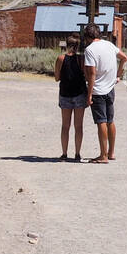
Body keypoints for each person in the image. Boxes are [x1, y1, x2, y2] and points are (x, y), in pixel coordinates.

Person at [83, 25, 127, 164]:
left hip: (98, 89)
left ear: (88, 37)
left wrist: (89, 94)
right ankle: (111, 152)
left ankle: (103, 155)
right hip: (110, 88)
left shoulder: (90, 50)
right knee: (110, 120)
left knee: (101, 121)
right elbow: (124, 57)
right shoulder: (109, 45)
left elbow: (91, 73)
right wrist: (118, 74)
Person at [53, 33, 87, 161]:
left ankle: (64, 153)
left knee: (65, 126)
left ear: (67, 45)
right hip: (79, 94)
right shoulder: (81, 60)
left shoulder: (61, 58)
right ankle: (77, 153)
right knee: (78, 126)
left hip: (65, 93)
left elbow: (57, 78)